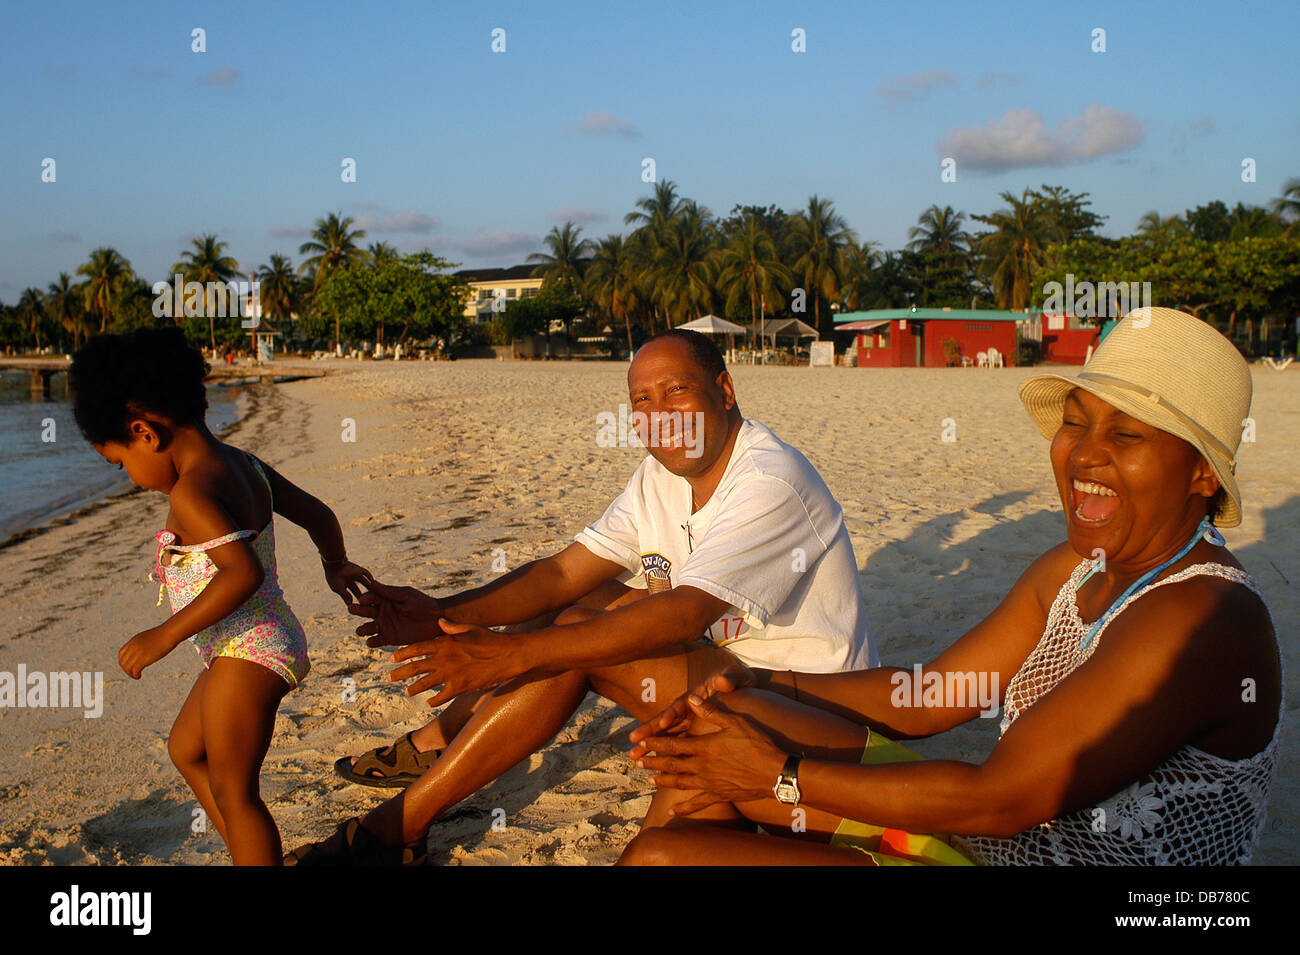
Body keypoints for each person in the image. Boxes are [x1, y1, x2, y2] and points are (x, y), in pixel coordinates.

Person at [623, 307, 1282, 866]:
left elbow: (999, 799)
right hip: (987, 841)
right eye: (1076, 421)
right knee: (718, 728)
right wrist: (767, 686)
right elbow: (929, 699)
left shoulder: (1203, 615)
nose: (1083, 453)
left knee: (664, 852)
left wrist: (776, 774)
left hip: (994, 831)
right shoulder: (1074, 570)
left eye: (1127, 433)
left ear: (1202, 473)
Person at [287, 328, 876, 863]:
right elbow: (562, 574)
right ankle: (440, 747)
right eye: (642, 402)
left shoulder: (769, 480)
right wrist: (443, 613)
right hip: (729, 680)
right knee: (579, 604)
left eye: (676, 391)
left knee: (574, 640)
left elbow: (685, 611)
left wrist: (514, 654)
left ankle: (397, 828)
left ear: (724, 390)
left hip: (812, 709)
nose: (660, 414)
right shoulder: (660, 478)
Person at [69, 327, 373, 865]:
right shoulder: (244, 463)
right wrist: (335, 564)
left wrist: (161, 636)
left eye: (120, 464)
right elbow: (319, 515)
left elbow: (242, 574)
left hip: (250, 650)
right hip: (244, 642)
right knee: (186, 750)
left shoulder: (192, 491)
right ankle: (249, 854)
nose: (129, 478)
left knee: (238, 793)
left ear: (143, 432)